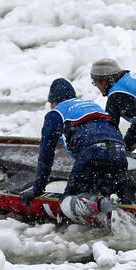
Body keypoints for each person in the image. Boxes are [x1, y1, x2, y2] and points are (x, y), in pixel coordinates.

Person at [22, 78, 127, 225]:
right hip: (119, 152)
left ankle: (101, 205)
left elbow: (45, 156)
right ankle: (117, 203)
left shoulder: (56, 114)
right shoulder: (92, 105)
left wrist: (37, 189)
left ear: (53, 102)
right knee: (103, 184)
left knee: (66, 200)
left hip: (92, 153)